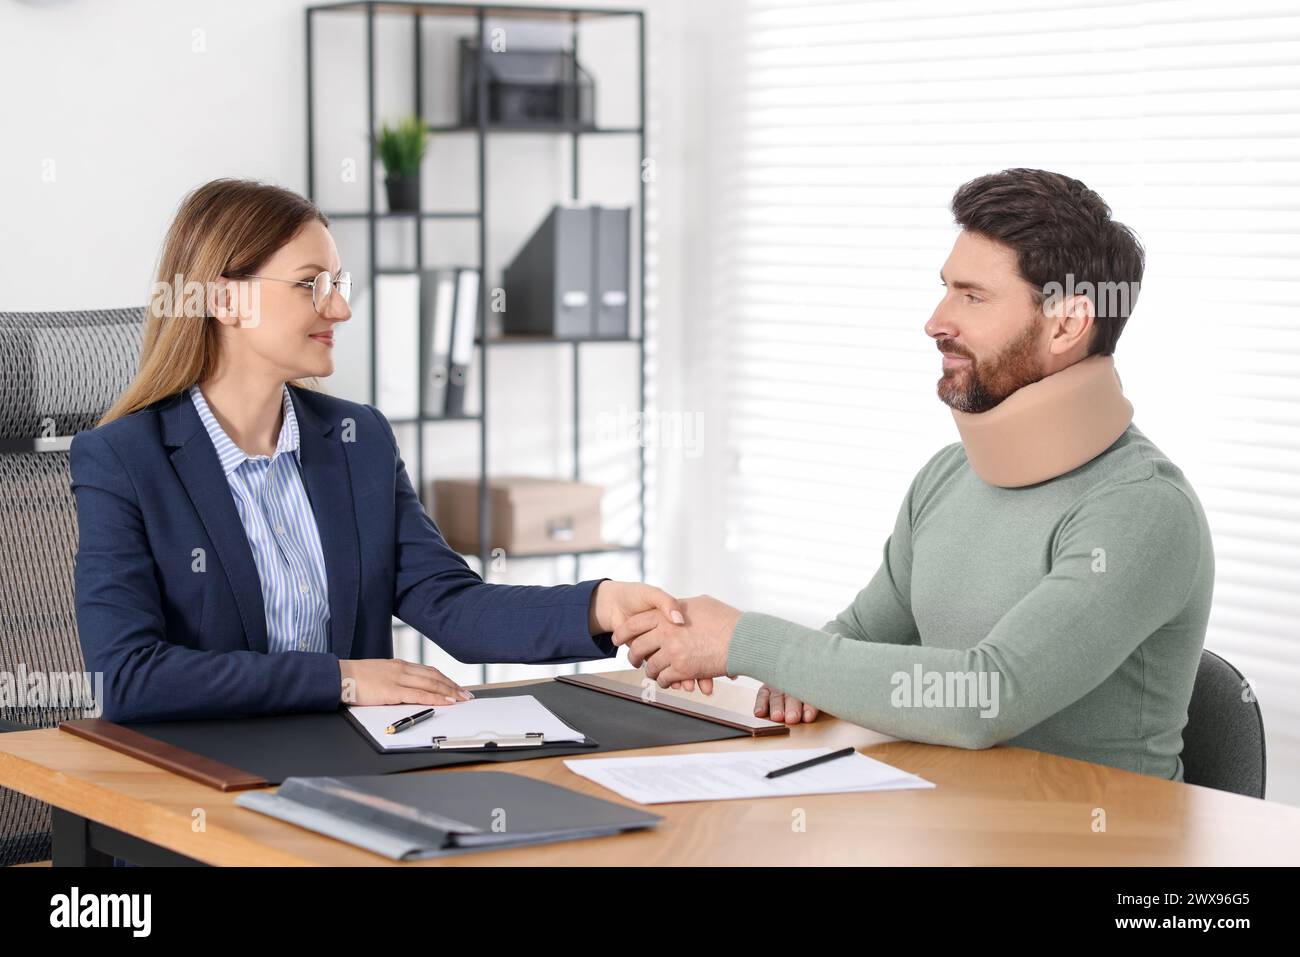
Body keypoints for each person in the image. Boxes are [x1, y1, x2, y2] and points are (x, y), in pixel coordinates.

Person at [616, 168, 1215, 782]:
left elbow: (988, 697)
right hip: (949, 824)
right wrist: (799, 680)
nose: (935, 321)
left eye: (972, 296)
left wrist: (744, 641)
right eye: (945, 290)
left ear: (1066, 323)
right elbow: (860, 634)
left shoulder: (1142, 509)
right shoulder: (950, 476)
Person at [71, 178, 684, 723]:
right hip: (200, 789)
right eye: (311, 285)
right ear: (226, 299)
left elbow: (453, 607)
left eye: (337, 283)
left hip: (349, 767)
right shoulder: (124, 460)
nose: (339, 307)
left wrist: (604, 604)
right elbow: (128, 677)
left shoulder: (355, 439)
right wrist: (343, 680)